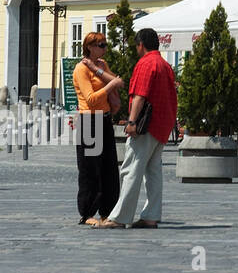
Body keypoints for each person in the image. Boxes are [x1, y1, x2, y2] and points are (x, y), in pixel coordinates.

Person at [100, 29, 177, 230]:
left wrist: (131, 121)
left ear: (140, 44)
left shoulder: (146, 63)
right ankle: (151, 216)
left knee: (131, 169)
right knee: (153, 172)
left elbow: (140, 95)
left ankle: (119, 217)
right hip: (162, 124)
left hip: (146, 126)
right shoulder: (165, 65)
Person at [72, 33, 122, 226]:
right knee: (90, 169)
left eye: (106, 45)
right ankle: (87, 213)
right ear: (89, 47)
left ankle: (108, 211)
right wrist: (111, 86)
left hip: (105, 119)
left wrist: (102, 73)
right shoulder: (81, 69)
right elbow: (91, 98)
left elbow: (118, 81)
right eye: (101, 45)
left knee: (109, 167)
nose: (104, 48)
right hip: (89, 121)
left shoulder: (101, 64)